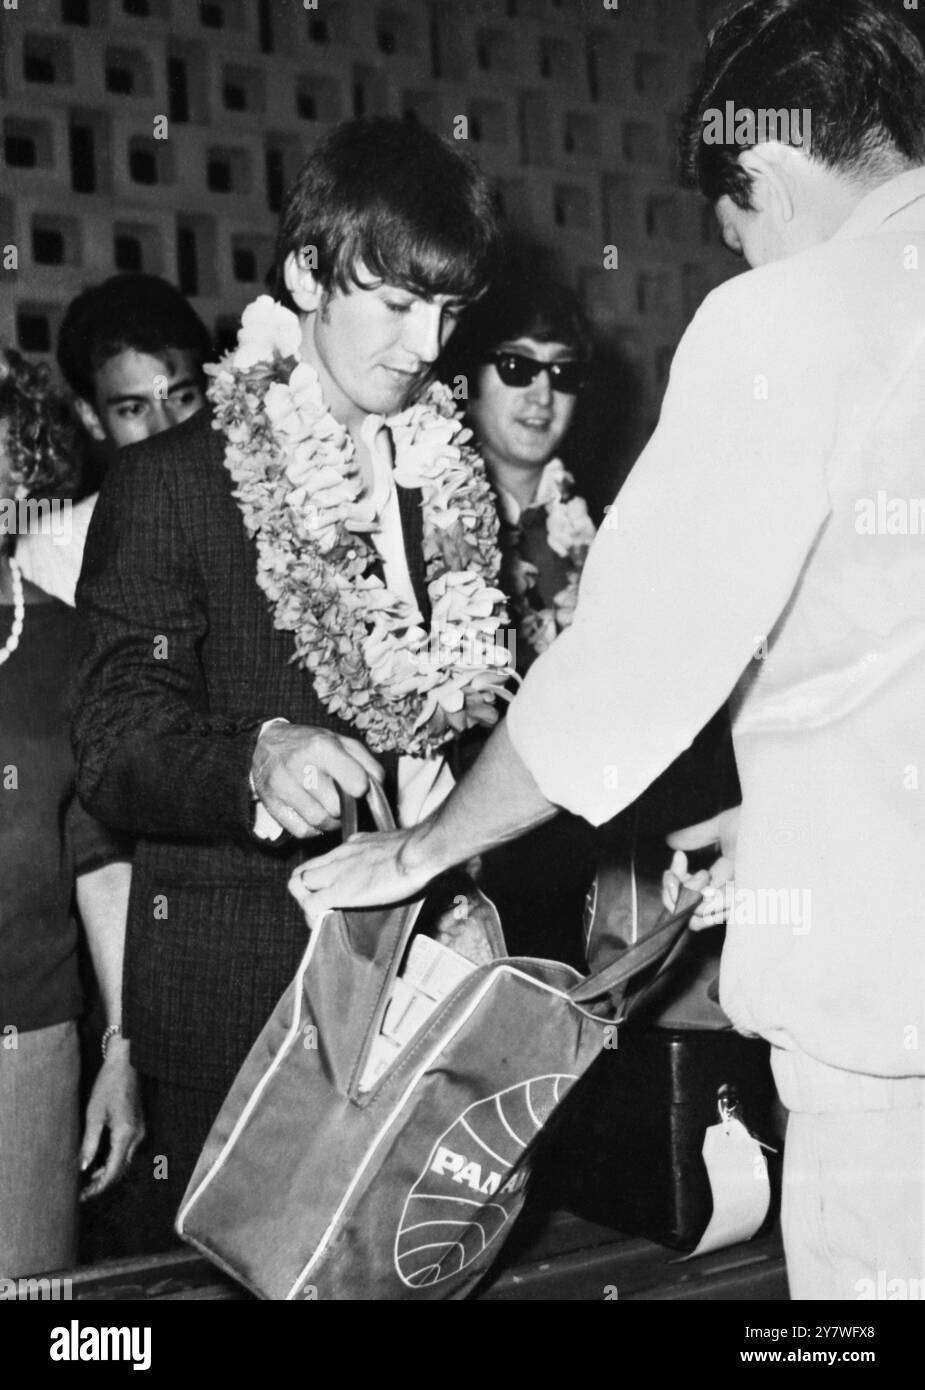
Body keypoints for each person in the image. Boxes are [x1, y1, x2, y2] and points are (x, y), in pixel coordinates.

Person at [294, 0, 925, 1301]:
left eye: (733, 231)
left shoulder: (797, 318)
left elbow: (619, 685)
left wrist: (420, 850)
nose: (743, 264)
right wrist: (801, 814)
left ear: (765, 167)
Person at [72, 116, 504, 1247]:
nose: (426, 344)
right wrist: (255, 755)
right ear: (307, 271)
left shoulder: (454, 488)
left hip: (429, 1001)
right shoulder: (172, 481)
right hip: (242, 1017)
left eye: (450, 311)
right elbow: (114, 739)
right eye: (399, 302)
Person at [0, 349, 143, 1277]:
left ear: (22, 465)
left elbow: (100, 858)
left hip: (28, 1043)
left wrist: (123, 1048)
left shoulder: (65, 639)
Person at [16, 274, 212, 606]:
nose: (165, 431)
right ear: (92, 418)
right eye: (134, 409)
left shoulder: (266, 513)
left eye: (182, 398)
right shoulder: (58, 548)